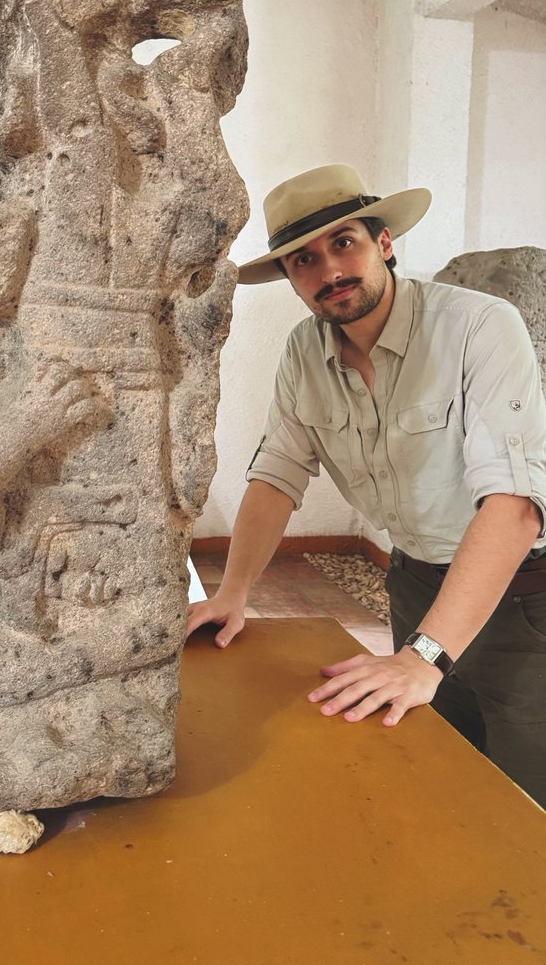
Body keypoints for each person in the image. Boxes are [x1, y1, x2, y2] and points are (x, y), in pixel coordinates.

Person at [186, 163, 546, 805]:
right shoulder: (304, 351)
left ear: (384, 242)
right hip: (413, 584)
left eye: (344, 242)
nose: (329, 271)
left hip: (527, 602)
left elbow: (515, 507)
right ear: (290, 277)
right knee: (441, 778)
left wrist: (422, 657)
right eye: (303, 259)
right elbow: (277, 474)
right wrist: (233, 593)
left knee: (526, 802)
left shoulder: (479, 326)